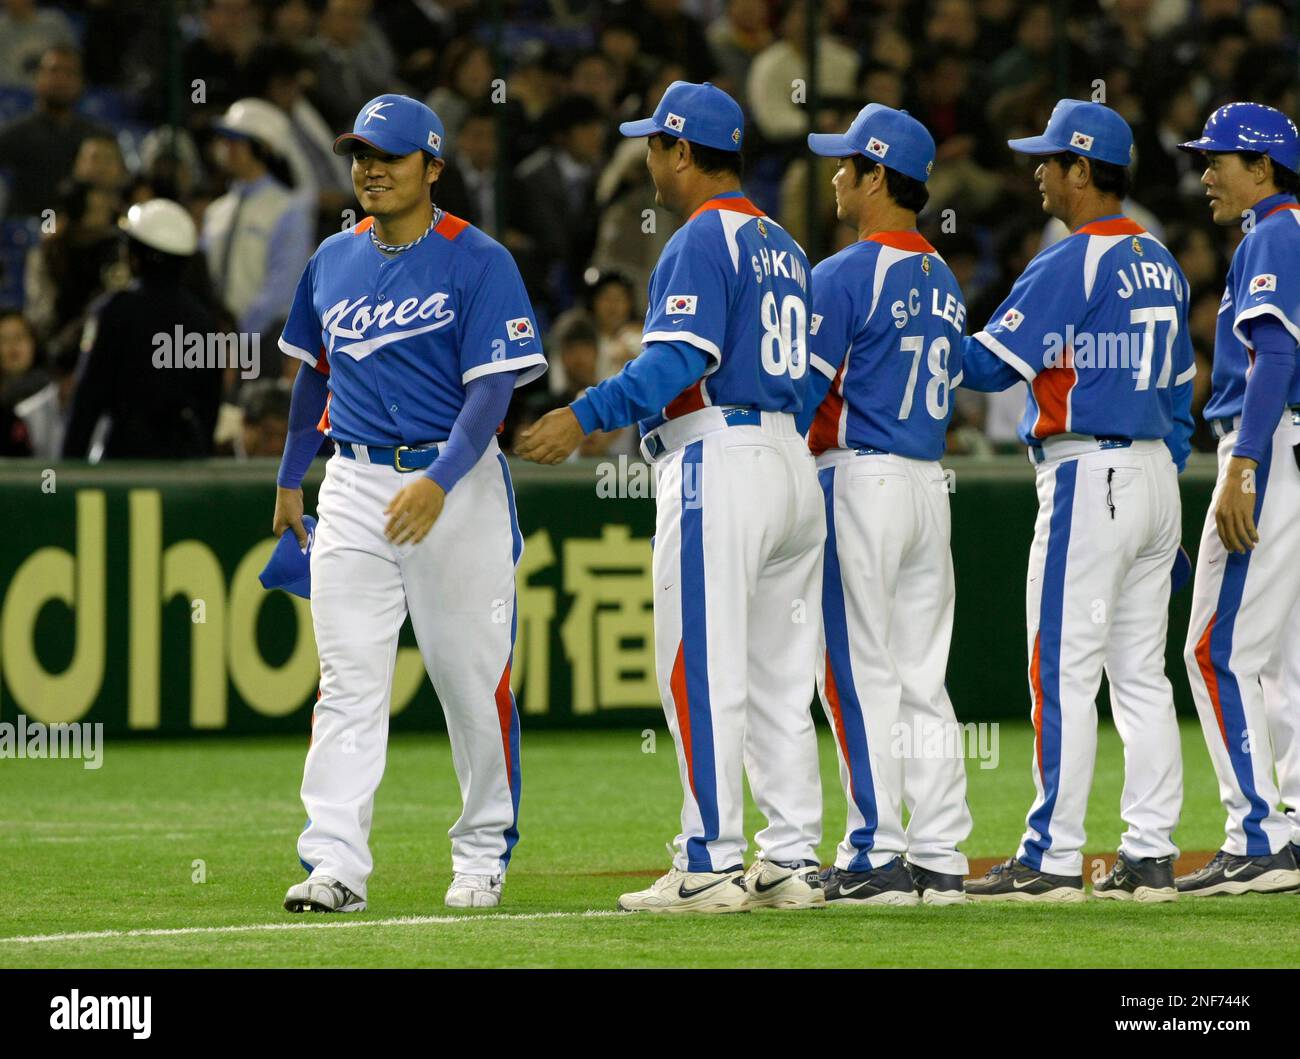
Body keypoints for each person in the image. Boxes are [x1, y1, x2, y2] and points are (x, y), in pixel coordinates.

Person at [516, 81, 826, 914]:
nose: (648, 156)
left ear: (683, 151)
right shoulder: (783, 242)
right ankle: (790, 854)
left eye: (656, 142)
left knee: (700, 662)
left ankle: (709, 860)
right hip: (792, 460)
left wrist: (584, 412)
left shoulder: (699, 238)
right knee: (775, 674)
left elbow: (676, 363)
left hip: (720, 456)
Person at [275, 94, 546, 914]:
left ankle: (483, 847)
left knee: (469, 678)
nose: (369, 169)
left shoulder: (479, 258)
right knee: (348, 680)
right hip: (353, 483)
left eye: (388, 156)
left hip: (453, 481)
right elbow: (313, 374)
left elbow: (493, 390)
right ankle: (335, 864)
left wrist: (440, 477)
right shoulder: (331, 258)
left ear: (432, 167)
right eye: (360, 153)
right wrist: (292, 477)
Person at [957, 100, 1196, 903]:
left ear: (1083, 171)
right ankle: (1151, 853)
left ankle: (1053, 857)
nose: (1039, 170)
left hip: (1091, 473)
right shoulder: (1160, 257)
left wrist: (915, 317)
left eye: (1052, 159)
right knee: (1141, 677)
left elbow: (991, 368)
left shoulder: (1075, 257)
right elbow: (1179, 394)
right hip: (1158, 470)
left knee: (1061, 668)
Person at [800, 105, 972, 906]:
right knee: (919, 677)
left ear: (876, 175)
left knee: (855, 669)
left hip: (857, 476)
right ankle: (939, 851)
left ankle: (874, 850)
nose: (835, 175)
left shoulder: (843, 272)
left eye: (846, 164)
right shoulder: (942, 276)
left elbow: (799, 392)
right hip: (926, 484)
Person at [1172, 102, 1300, 896]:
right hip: (1289, 445)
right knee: (1284, 659)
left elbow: (1276, 351)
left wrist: (1245, 463)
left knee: (1214, 651)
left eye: (1220, 158)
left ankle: (1259, 836)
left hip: (1272, 446)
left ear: (1263, 167)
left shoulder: (1275, 232)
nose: (1206, 172)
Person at [62, 200, 224, 460]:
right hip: (185, 463)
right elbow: (209, 406)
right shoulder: (203, 320)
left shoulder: (113, 311)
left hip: (124, 460)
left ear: (134, 255)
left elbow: (87, 399)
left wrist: (68, 468)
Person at [202, 97, 313, 344]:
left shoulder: (288, 209)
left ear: (263, 148)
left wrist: (238, 335)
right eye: (226, 140)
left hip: (265, 340)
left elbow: (282, 288)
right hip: (215, 341)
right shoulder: (217, 210)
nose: (226, 148)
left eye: (236, 141)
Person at [0, 46, 109, 218]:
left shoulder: (98, 135)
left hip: (79, 231)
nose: (60, 80)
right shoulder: (16, 133)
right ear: (38, 78)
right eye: (53, 71)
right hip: (29, 230)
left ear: (81, 82)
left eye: (69, 73)